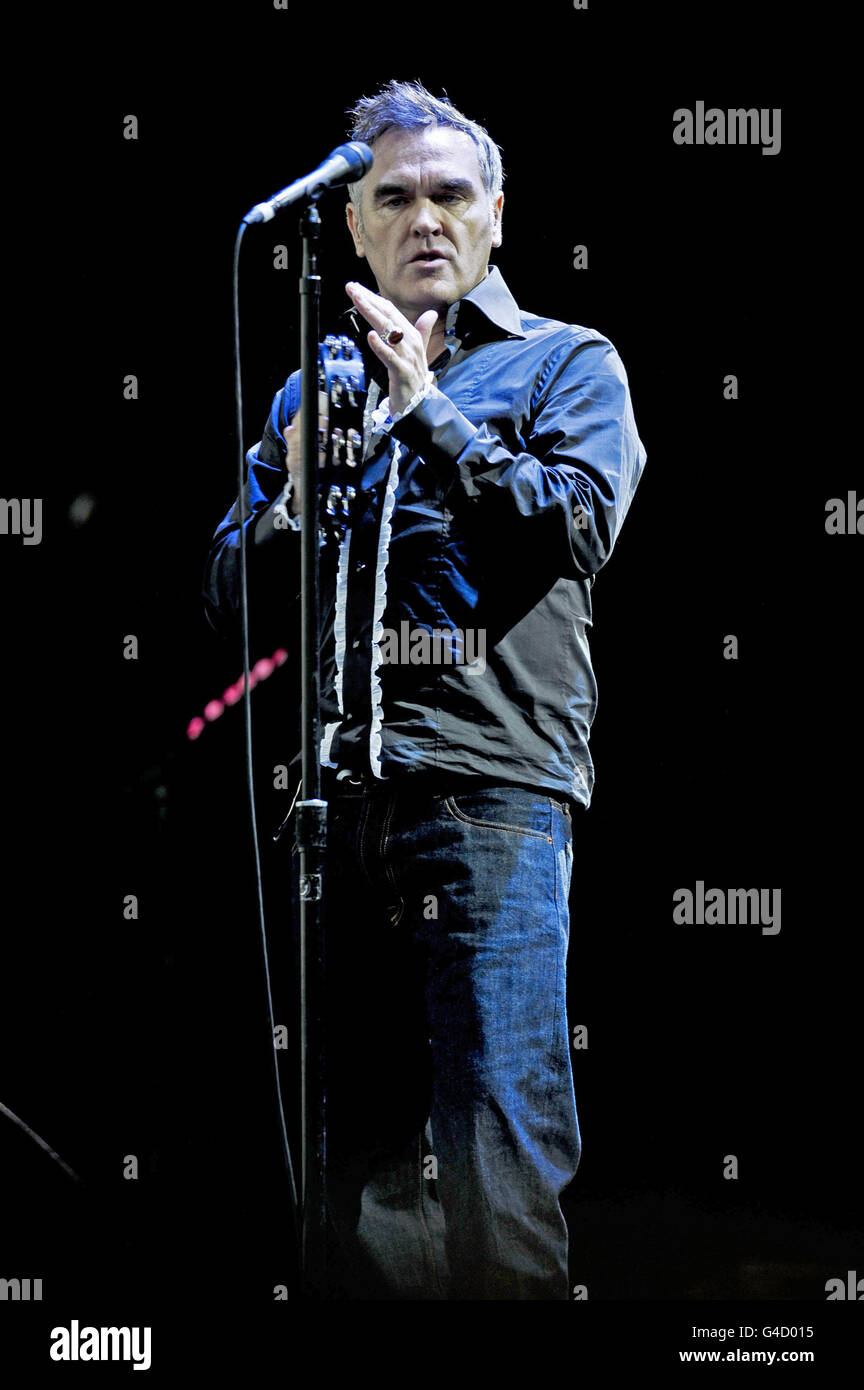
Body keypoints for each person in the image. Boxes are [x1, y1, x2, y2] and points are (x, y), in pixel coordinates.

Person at [204, 80, 647, 1300]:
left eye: (452, 194)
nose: (425, 218)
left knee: (498, 1161)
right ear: (351, 226)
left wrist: (432, 413)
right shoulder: (313, 392)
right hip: (343, 812)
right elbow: (233, 602)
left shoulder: (565, 362)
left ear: (498, 216)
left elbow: (576, 526)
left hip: (491, 800)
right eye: (392, 197)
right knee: (370, 1186)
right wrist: (291, 490)